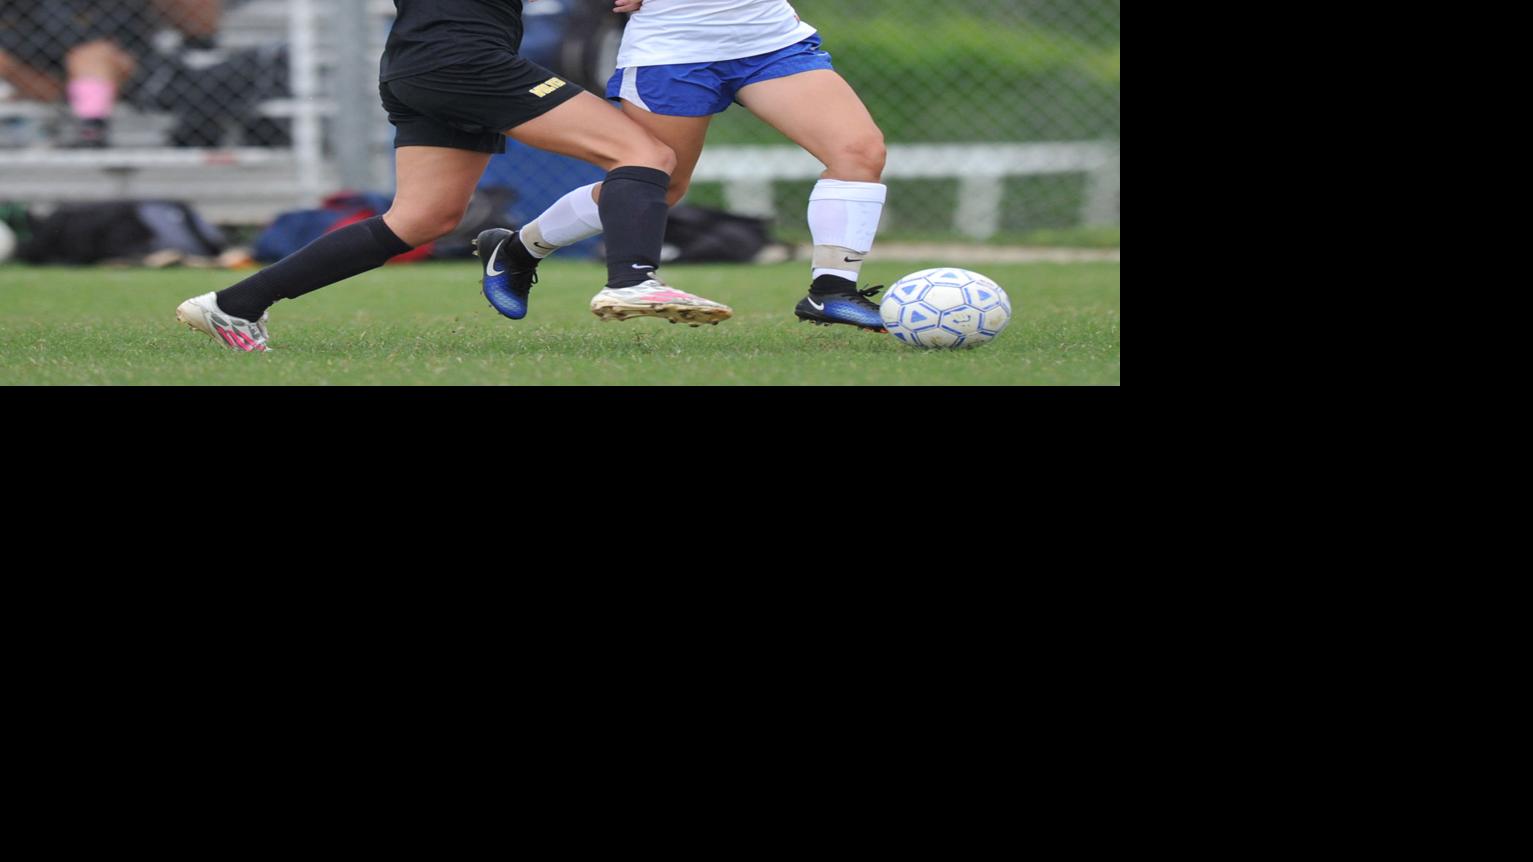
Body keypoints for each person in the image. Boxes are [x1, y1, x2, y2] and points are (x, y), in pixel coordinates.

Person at [176, 0, 731, 352]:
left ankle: (236, 304)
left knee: (423, 218)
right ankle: (632, 282)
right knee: (645, 153)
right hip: (463, 62)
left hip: (420, 65)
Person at [476, 0, 889, 332]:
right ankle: (517, 250)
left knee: (859, 152)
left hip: (770, 38)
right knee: (659, 184)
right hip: (673, 46)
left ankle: (832, 290)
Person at [0, 1, 216, 148]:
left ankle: (91, 131)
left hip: (116, 71)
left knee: (90, 56)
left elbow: (116, 41)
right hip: (51, 78)